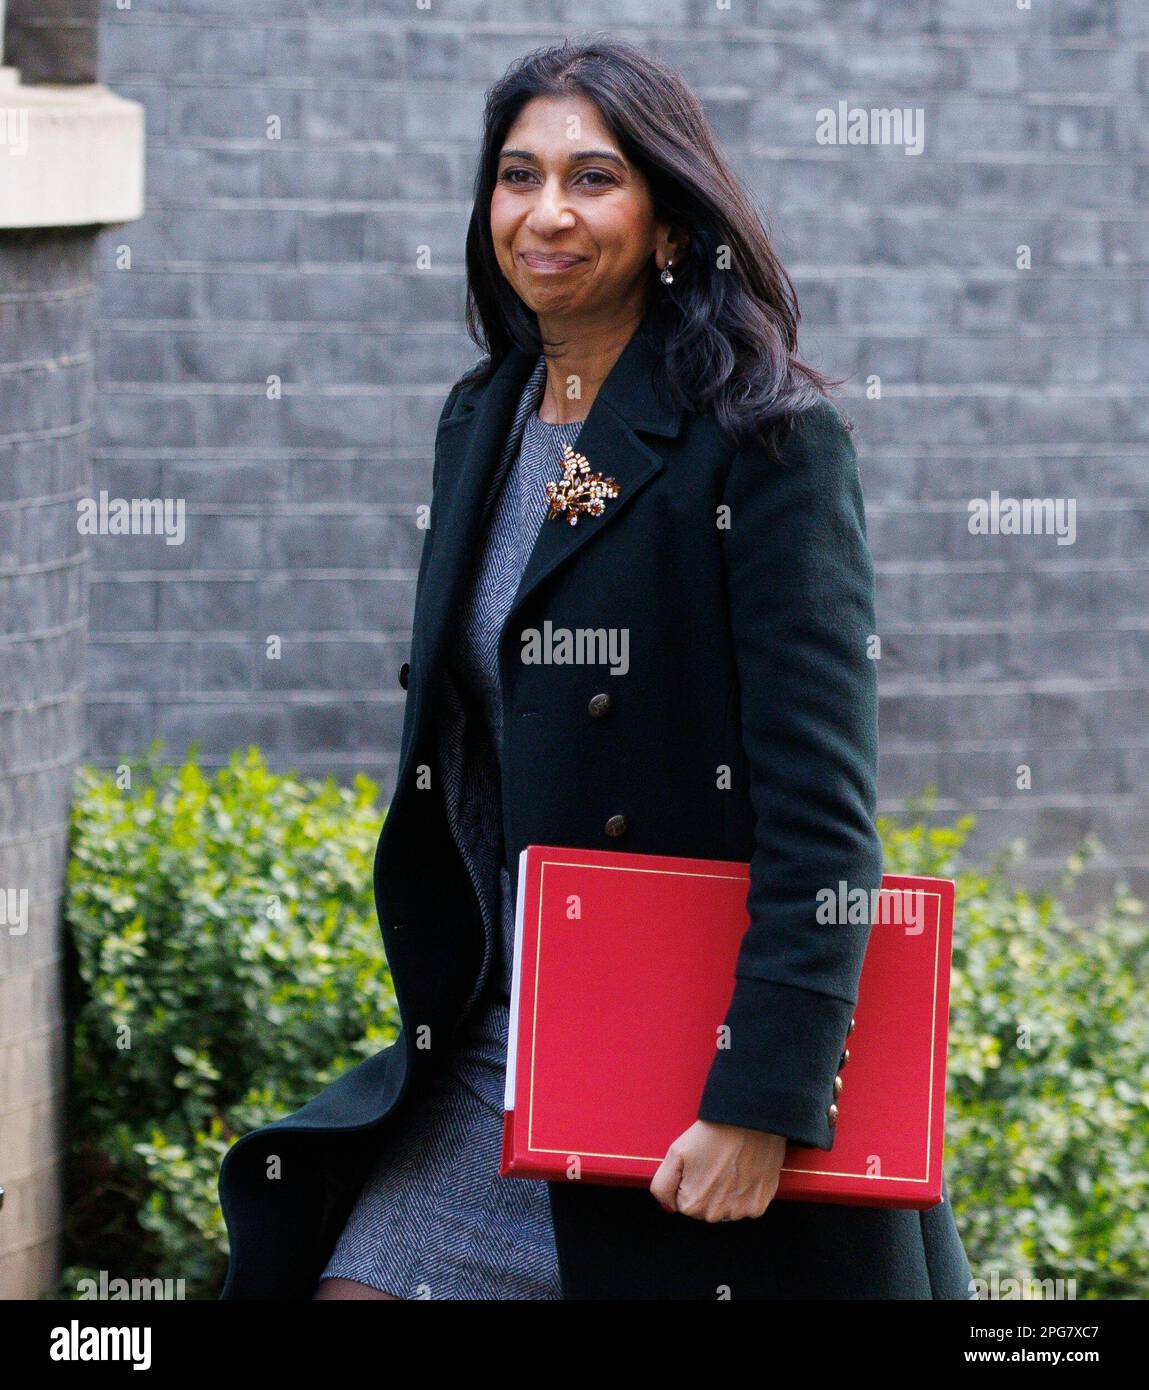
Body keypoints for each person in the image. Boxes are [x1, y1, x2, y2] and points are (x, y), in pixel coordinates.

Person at [218, 35, 973, 1301]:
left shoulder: (766, 445)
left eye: (593, 178)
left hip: (683, 1059)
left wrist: (764, 1098)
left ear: (671, 224)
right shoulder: (484, 415)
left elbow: (824, 813)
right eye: (518, 177)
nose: (546, 213)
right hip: (493, 1044)